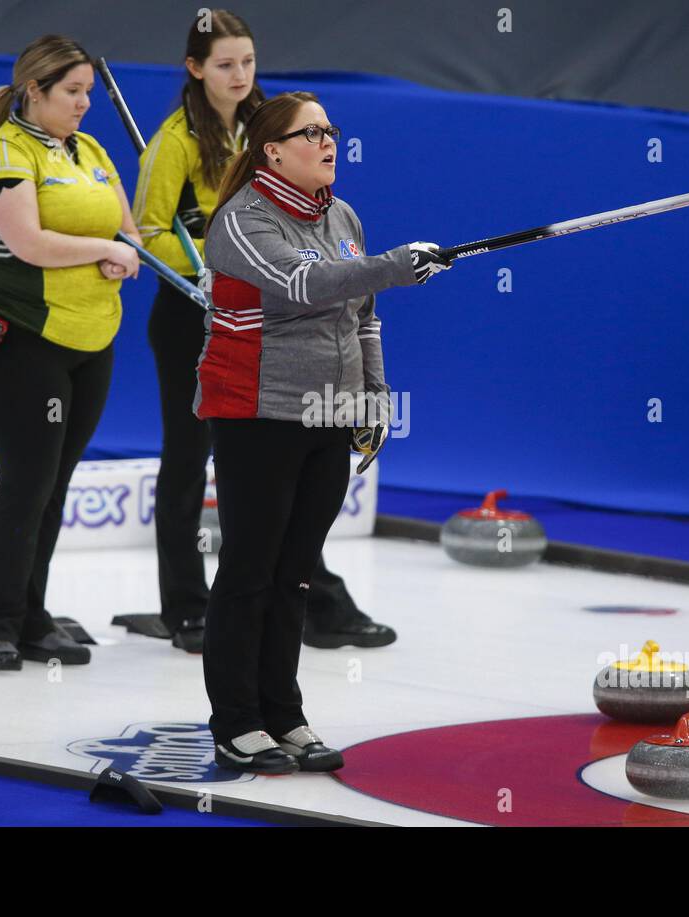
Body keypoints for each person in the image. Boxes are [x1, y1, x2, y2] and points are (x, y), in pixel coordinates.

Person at [195, 92, 451, 773]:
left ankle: (285, 714)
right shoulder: (243, 220)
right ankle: (237, 721)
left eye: (331, 130)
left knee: (296, 574)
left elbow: (361, 314)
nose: (328, 141)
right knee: (250, 570)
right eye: (311, 133)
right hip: (257, 411)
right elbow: (305, 285)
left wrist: (374, 397)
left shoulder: (342, 215)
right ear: (271, 149)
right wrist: (398, 264)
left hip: (328, 415)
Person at [133, 9, 396, 654]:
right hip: (194, 307)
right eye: (225, 64)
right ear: (196, 69)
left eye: (248, 62)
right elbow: (150, 226)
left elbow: (317, 267)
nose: (240, 75)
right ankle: (187, 605)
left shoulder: (268, 126)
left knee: (297, 492)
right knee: (190, 457)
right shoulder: (175, 139)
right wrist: (201, 263)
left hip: (276, 309)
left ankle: (316, 602)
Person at [0, 35, 142, 670]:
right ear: (33, 92)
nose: (85, 103)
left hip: (91, 339)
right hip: (19, 338)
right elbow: (30, 243)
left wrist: (127, 250)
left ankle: (32, 615)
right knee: (27, 482)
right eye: (72, 92)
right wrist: (105, 252)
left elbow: (127, 229)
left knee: (55, 485)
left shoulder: (88, 150)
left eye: (90, 91)